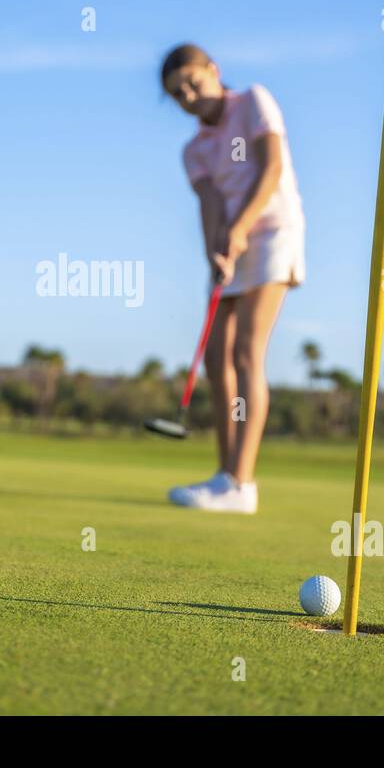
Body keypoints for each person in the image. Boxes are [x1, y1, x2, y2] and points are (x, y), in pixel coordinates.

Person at [160, 43, 306, 514]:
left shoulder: (254, 102)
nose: (187, 96)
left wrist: (240, 229)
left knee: (247, 352)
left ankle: (243, 483)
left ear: (213, 71)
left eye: (192, 83)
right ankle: (225, 477)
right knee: (216, 358)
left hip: (272, 233)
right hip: (230, 245)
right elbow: (208, 204)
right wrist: (213, 251)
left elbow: (272, 169)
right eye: (177, 94)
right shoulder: (194, 150)